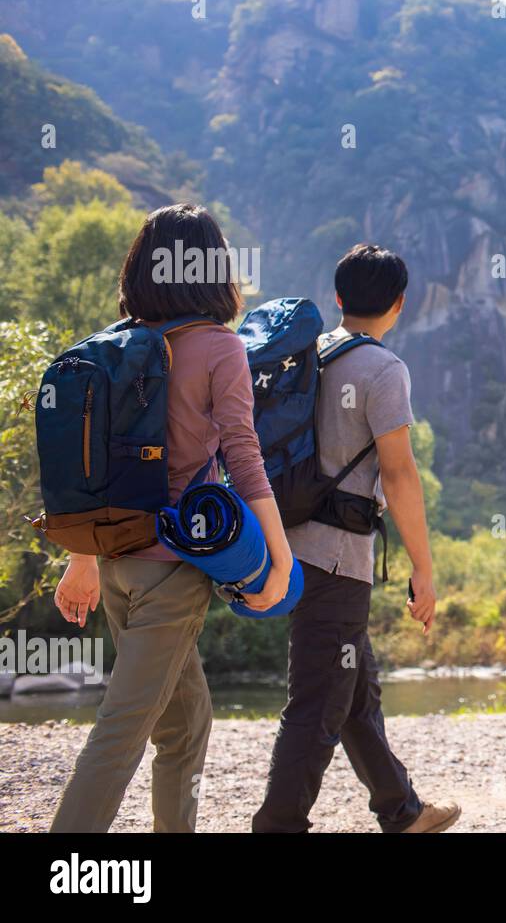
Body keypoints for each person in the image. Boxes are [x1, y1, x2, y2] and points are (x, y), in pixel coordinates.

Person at [50, 203, 293, 832]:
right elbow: (243, 457)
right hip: (173, 570)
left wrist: (81, 561)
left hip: (116, 566)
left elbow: (92, 468)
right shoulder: (219, 348)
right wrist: (281, 555)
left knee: (185, 726)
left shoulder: (116, 349)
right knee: (122, 731)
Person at [251, 244, 458, 833]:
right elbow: (398, 473)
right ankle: (276, 824)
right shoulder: (383, 370)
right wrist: (424, 567)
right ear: (398, 305)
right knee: (319, 702)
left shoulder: (305, 356)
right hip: (337, 559)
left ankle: (402, 809)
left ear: (338, 297)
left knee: (353, 688)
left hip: (285, 541)